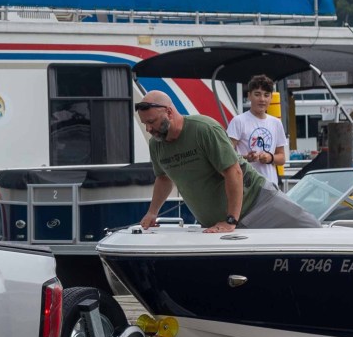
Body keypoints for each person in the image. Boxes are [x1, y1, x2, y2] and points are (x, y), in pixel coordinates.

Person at [134, 94, 319, 232]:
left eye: (152, 122)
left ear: (169, 112)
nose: (149, 129)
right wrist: (152, 213)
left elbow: (234, 172)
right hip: (217, 225)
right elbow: (163, 178)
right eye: (145, 124)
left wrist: (231, 220)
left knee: (315, 233)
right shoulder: (156, 145)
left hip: (259, 202)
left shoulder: (204, 129)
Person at [224, 74, 288, 188]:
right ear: (249, 96)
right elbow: (225, 155)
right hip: (246, 187)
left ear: (271, 98)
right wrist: (246, 158)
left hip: (271, 186)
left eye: (266, 95)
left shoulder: (276, 123)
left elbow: (282, 158)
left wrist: (270, 158)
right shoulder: (238, 121)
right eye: (257, 94)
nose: (262, 99)